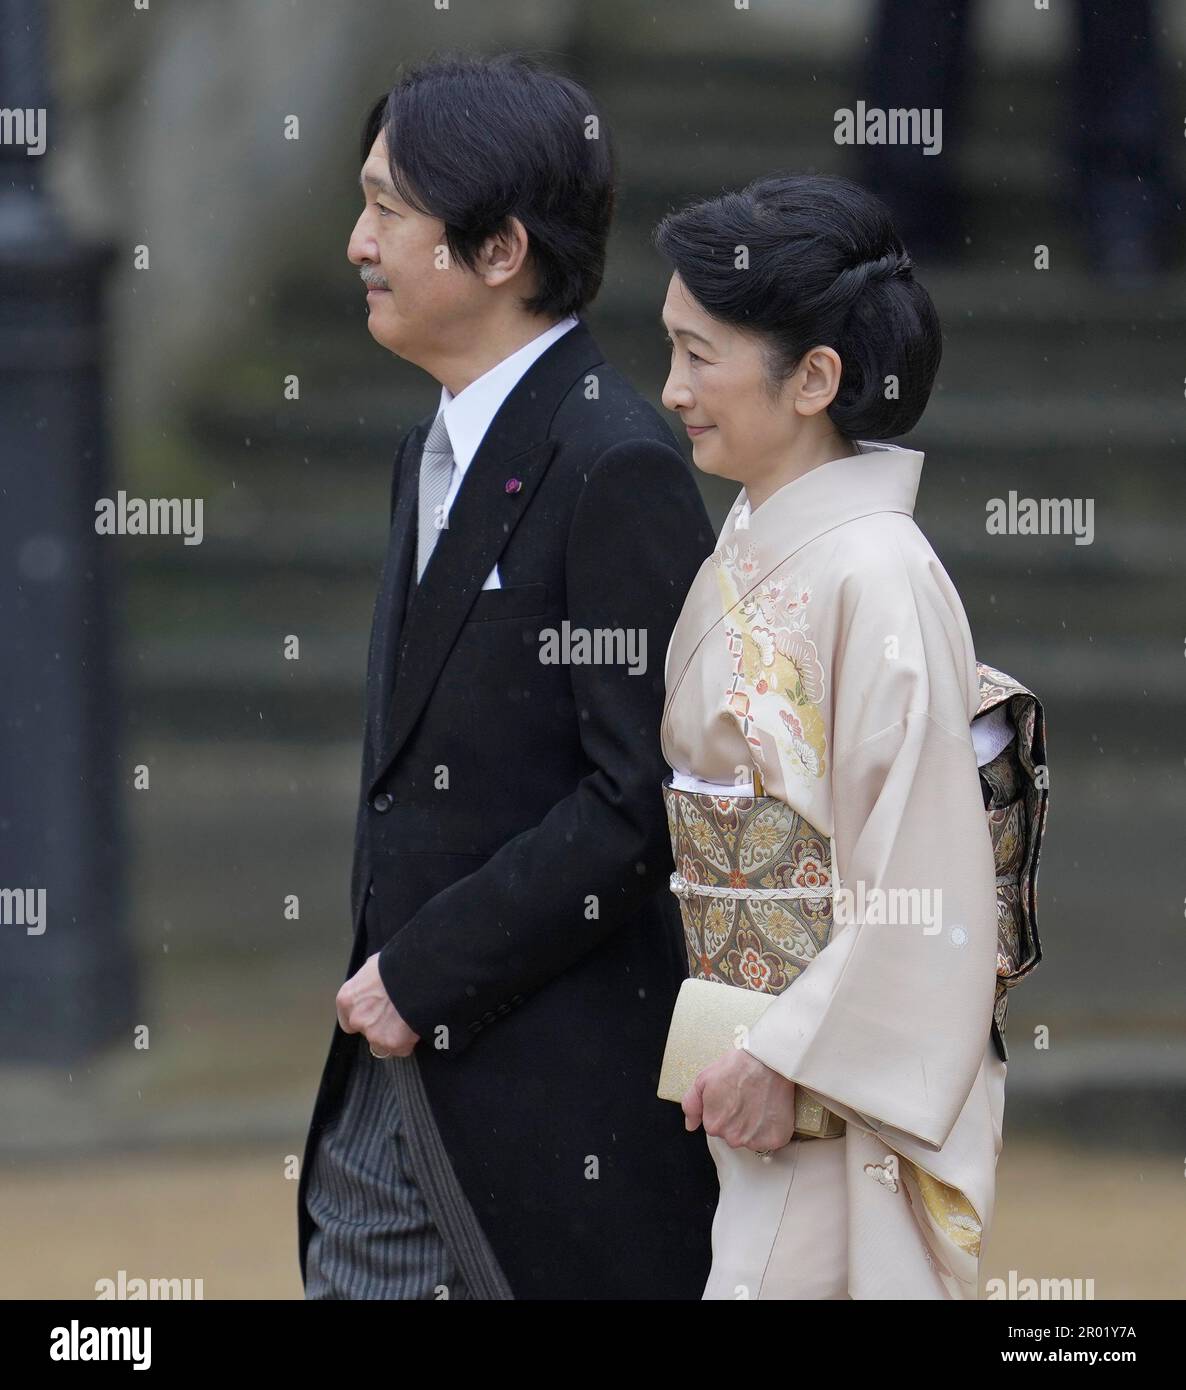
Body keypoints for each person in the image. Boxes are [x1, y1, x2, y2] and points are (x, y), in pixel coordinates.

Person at [297, 52, 719, 1300]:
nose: (357, 240)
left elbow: (641, 792)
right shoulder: (430, 443)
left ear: (499, 252)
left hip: (543, 1096)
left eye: (388, 208)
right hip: (410, 1068)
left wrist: (427, 971)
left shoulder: (615, 460)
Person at [655, 173, 1011, 1299]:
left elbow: (924, 884)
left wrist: (787, 1051)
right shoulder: (759, 539)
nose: (670, 390)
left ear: (813, 377)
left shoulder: (877, 574)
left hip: (834, 1102)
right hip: (752, 1053)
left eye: (699, 355)